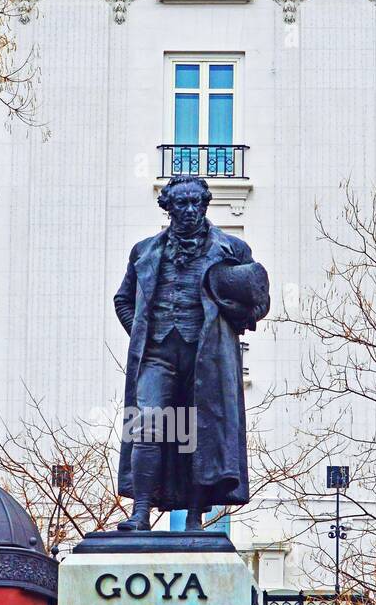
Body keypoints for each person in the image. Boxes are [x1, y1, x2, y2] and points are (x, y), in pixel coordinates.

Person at [113, 175, 269, 532]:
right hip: (158, 356)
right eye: (181, 204)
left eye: (196, 203)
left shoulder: (232, 249)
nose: (189, 210)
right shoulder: (144, 251)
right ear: (168, 208)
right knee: (148, 426)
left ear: (205, 205)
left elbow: (257, 303)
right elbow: (123, 299)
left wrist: (235, 315)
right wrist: (142, 334)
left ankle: (196, 519)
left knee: (199, 434)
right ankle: (140, 512)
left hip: (207, 357)